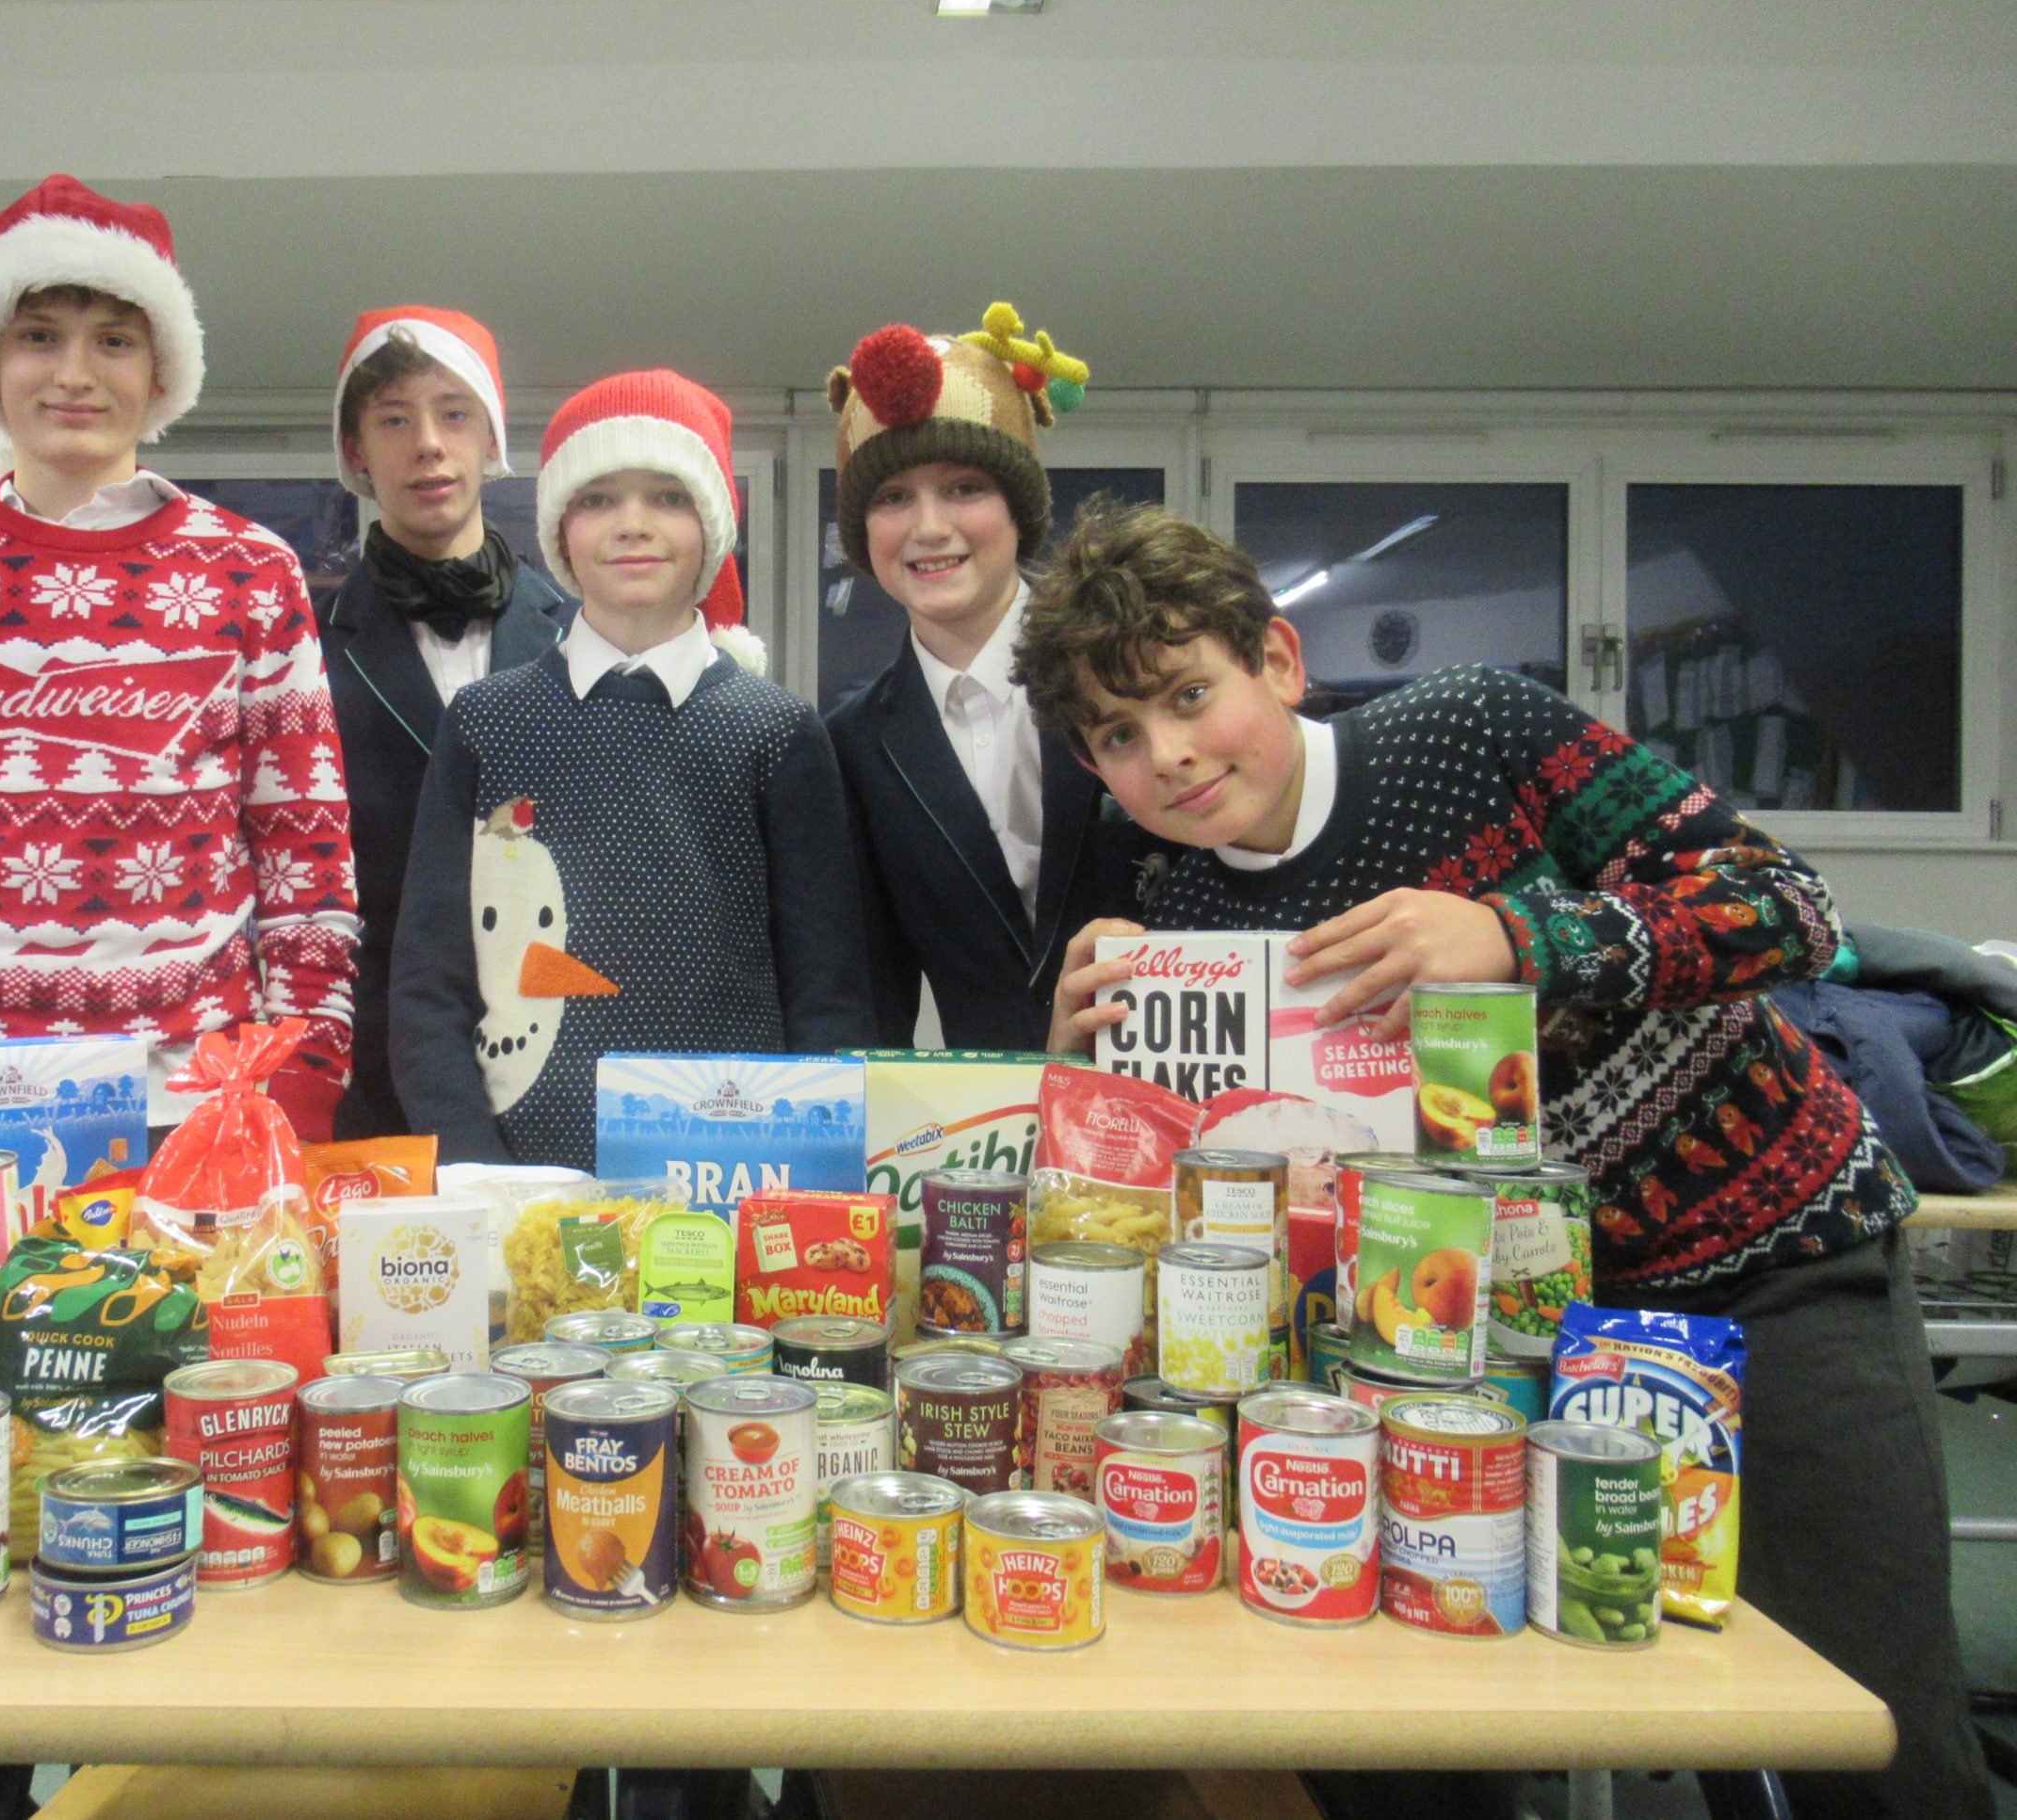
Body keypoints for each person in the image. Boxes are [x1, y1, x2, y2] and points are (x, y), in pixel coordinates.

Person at [1024, 505, 1985, 1820]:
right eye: (1118, 739)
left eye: (1191, 695)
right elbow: (1244, 1204)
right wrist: (1097, 1072)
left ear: (1281, 663)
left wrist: (1513, 932)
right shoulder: (1181, 910)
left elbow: (1787, 907)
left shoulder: (1472, 730)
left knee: (1865, 1732)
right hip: (1491, 1354)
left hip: (1769, 1272)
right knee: (1479, 1716)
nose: (1171, 756)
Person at [0, 174, 360, 1142]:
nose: (74, 373)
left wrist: (304, 1077)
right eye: (38, 335)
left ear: (157, 372)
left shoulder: (249, 571)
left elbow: (304, 852)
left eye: (113, 339)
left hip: (196, 1099)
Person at [389, 369, 874, 1163]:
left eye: (669, 498)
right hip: (521, 1182)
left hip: (733, 1176)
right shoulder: (482, 724)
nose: (633, 524)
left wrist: (808, 1177)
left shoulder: (779, 732)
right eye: (598, 498)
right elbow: (427, 988)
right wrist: (474, 1166)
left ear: (712, 528)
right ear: (560, 530)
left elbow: (828, 1001)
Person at [819, 305, 1152, 1049]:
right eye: (892, 497)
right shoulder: (852, 749)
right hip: (986, 1135)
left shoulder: (1130, 674)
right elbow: (872, 993)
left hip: (1174, 1104)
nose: (929, 527)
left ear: (1018, 508)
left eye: (964, 488)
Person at [319, 309, 571, 1138]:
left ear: (491, 435)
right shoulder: (301, 650)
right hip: (371, 1065)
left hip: (561, 1049)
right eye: (394, 419)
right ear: (356, 451)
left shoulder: (581, 637)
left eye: (453, 412)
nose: (427, 442)